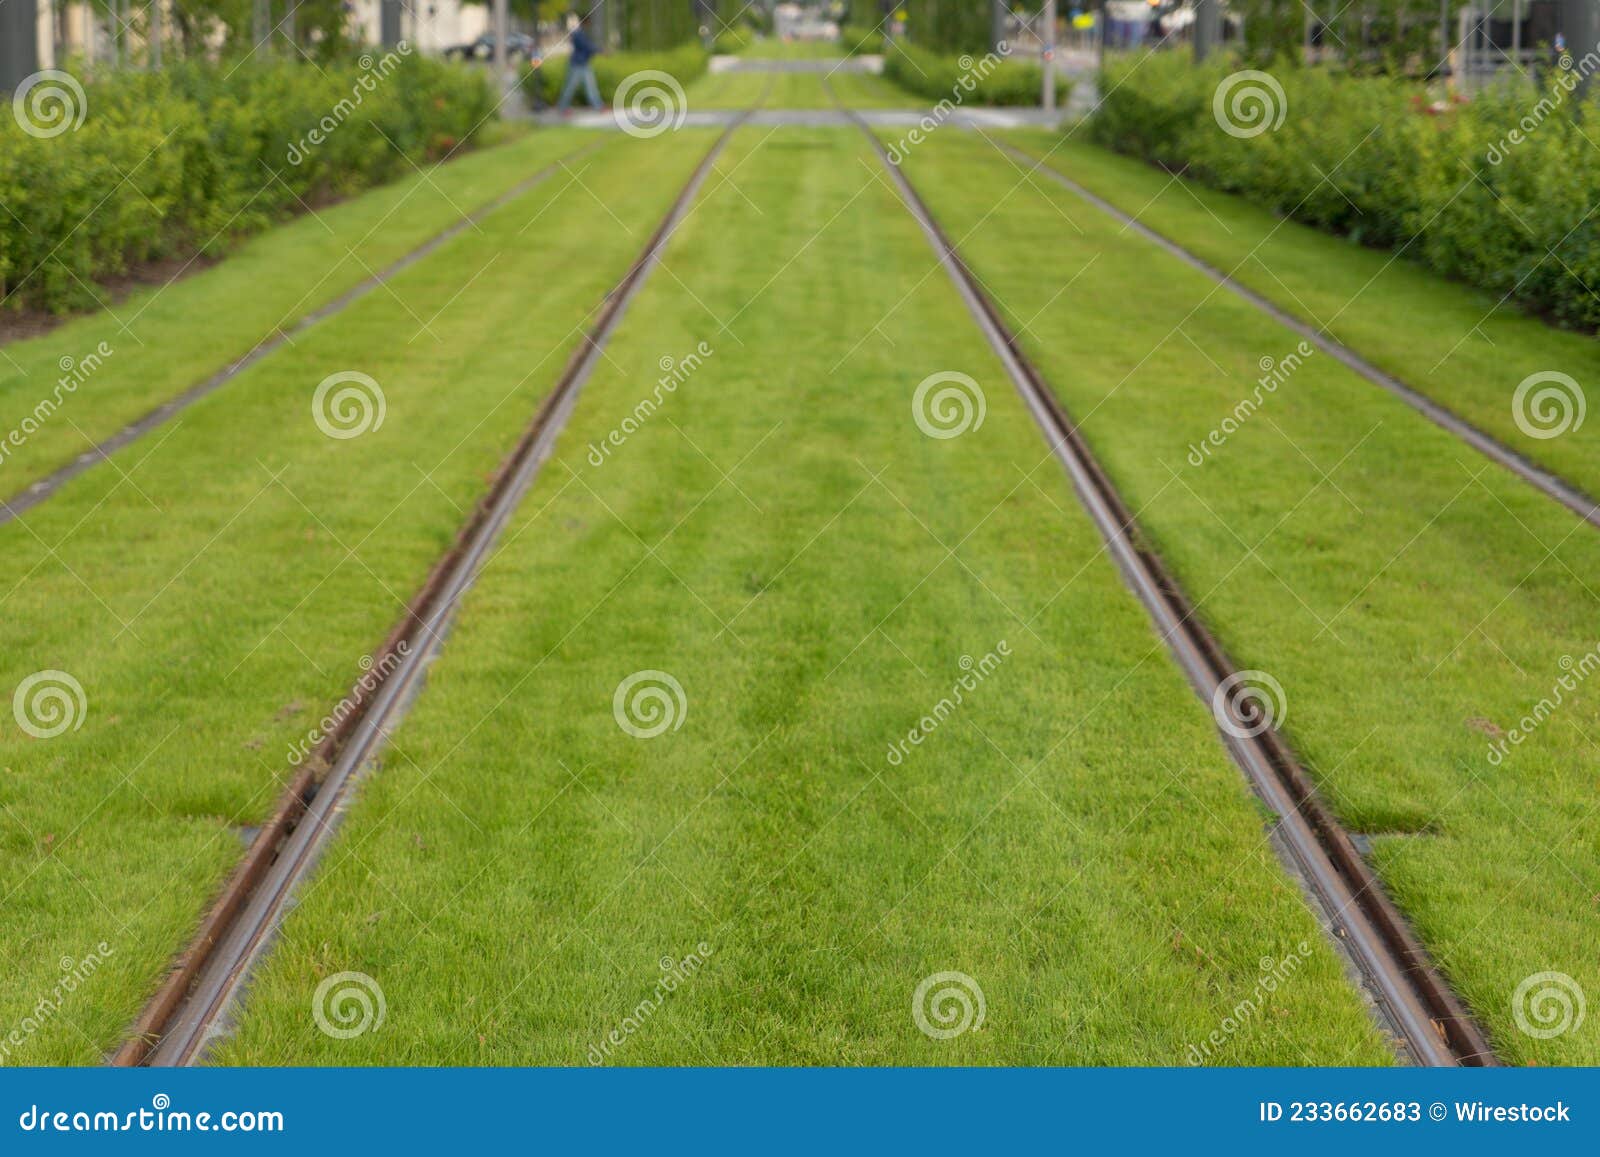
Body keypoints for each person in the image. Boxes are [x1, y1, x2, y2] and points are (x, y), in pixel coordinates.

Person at [557, 20, 602, 113]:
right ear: (585, 23)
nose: (590, 25)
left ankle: (599, 106)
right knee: (570, 87)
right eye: (589, 23)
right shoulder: (578, 33)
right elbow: (587, 46)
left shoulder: (580, 33)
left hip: (584, 64)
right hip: (577, 65)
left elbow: (587, 46)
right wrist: (600, 50)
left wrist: (598, 50)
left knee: (591, 87)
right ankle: (562, 108)